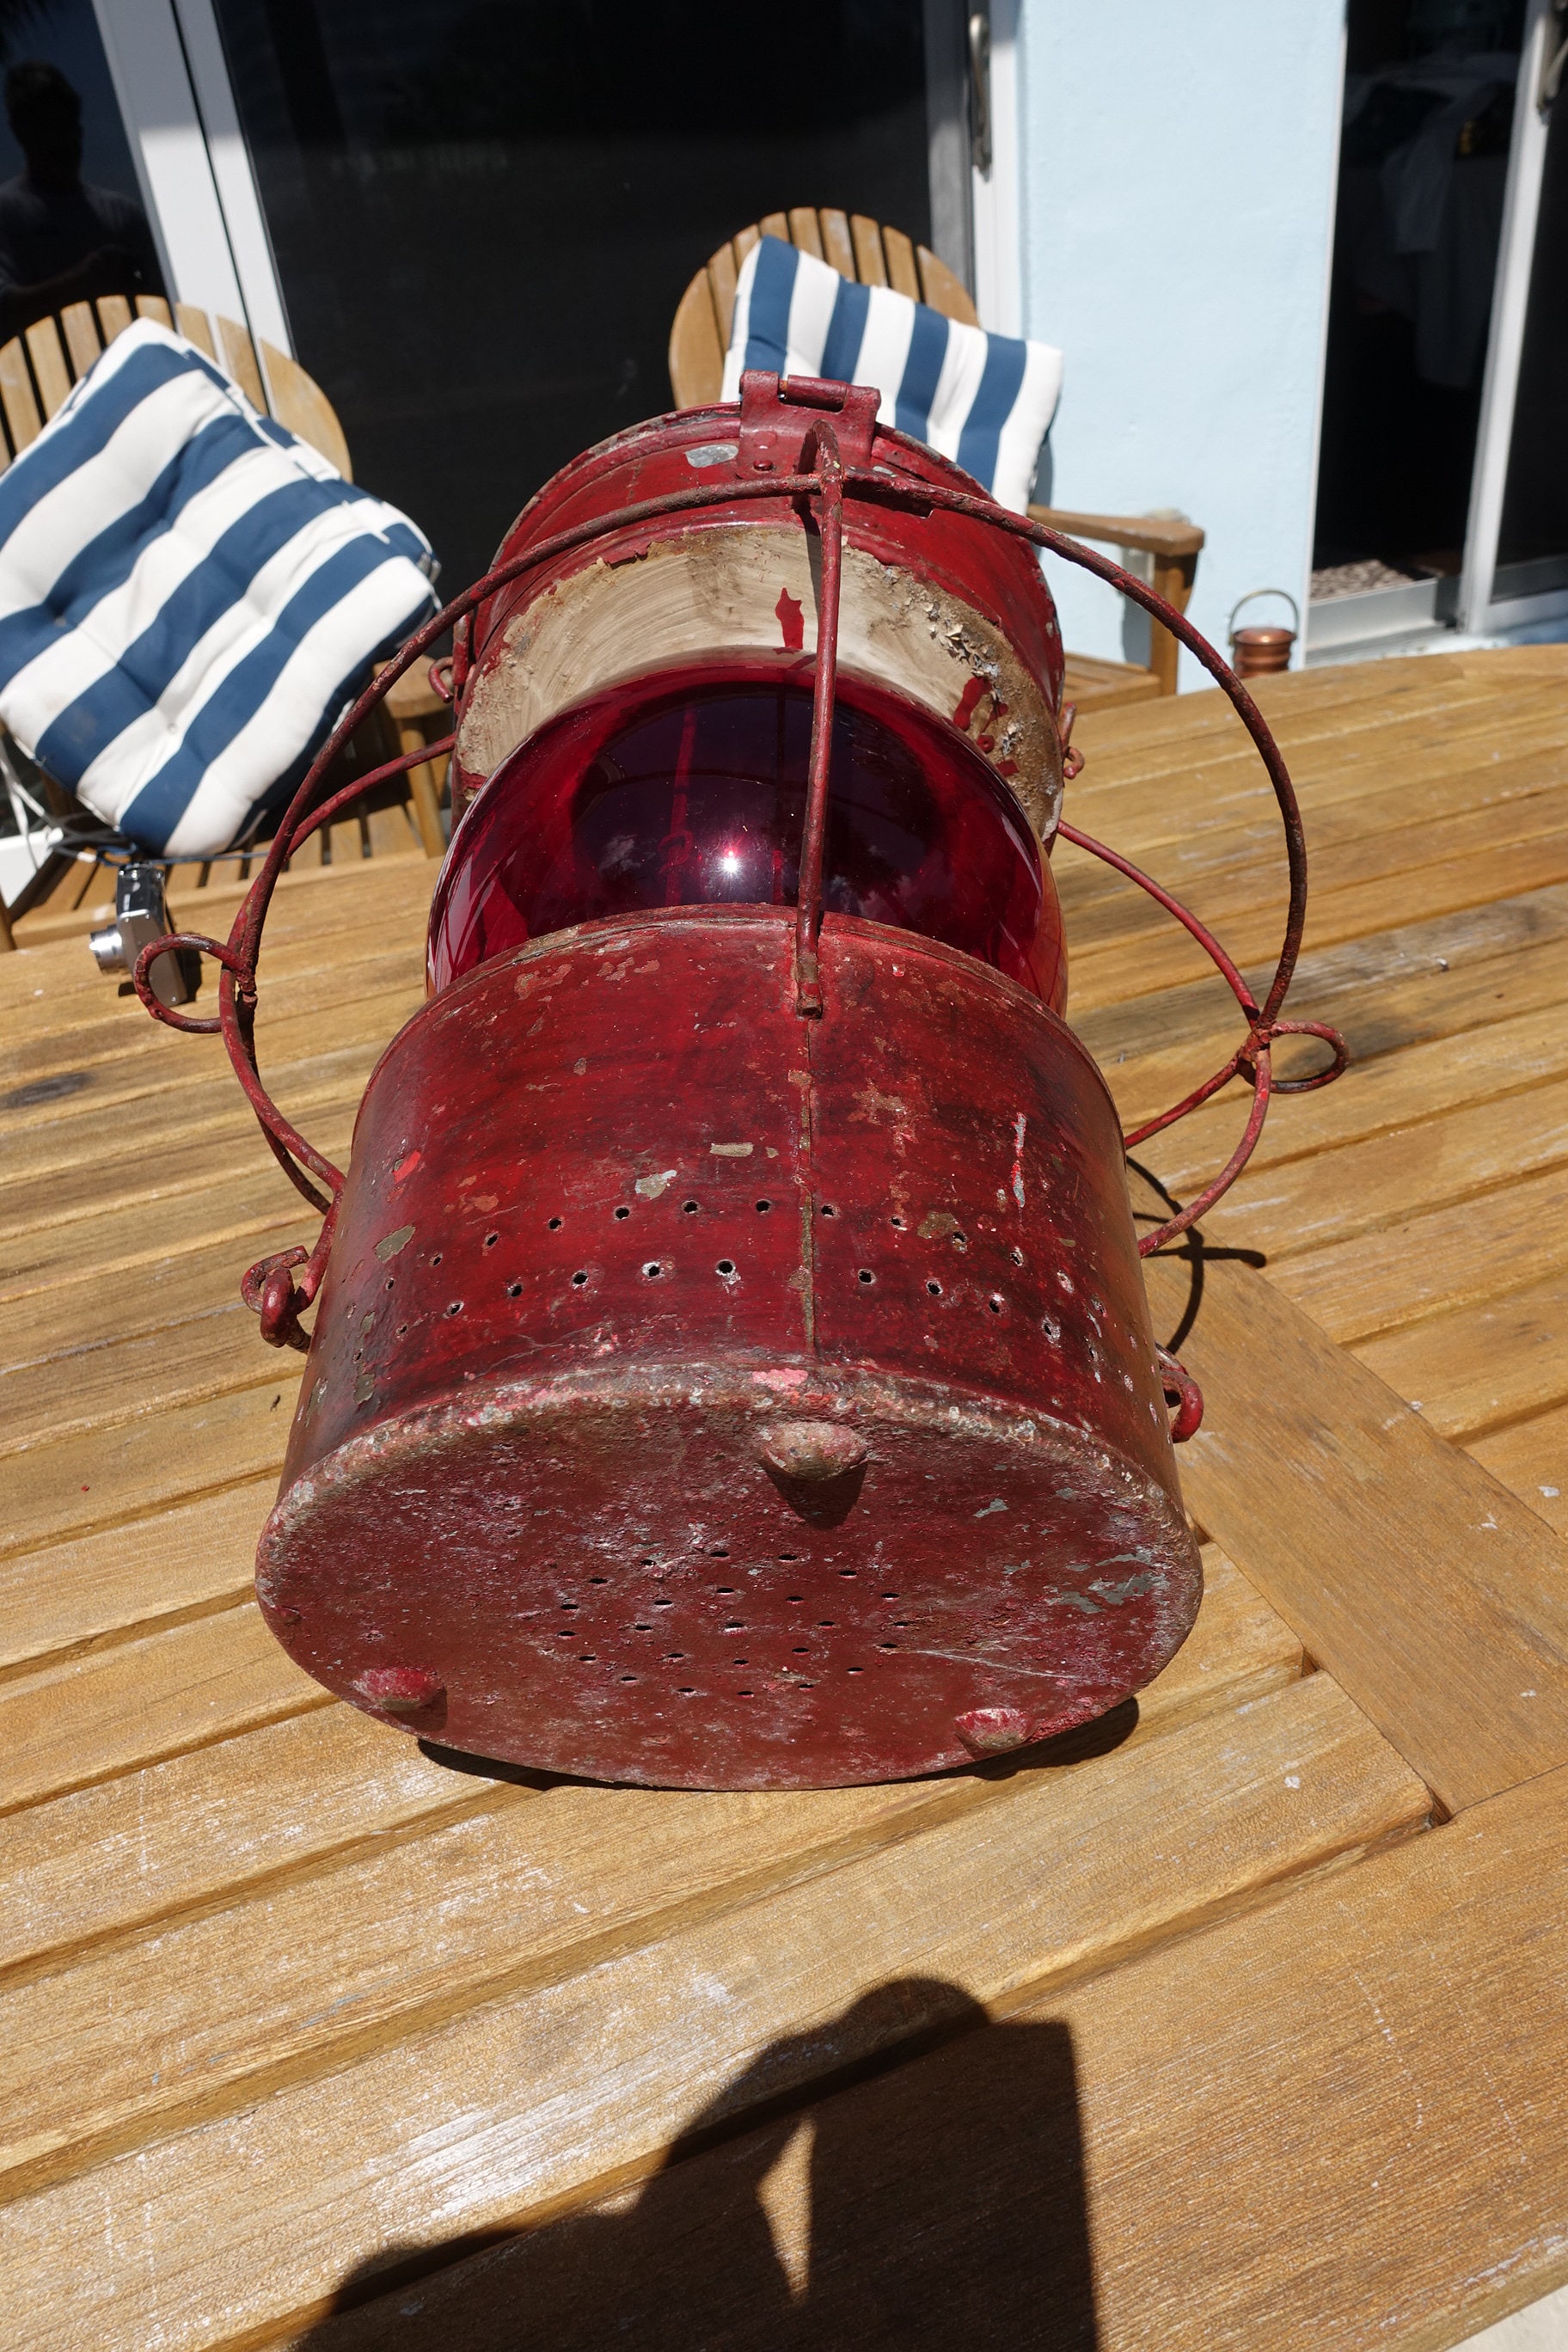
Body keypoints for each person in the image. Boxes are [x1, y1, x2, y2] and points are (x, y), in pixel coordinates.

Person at [0, 60, 163, 345]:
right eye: (49, 128)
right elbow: (6, 312)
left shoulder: (123, 216)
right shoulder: (7, 213)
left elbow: (161, 304)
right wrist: (83, 280)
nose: (65, 141)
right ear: (21, 133)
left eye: (69, 124)